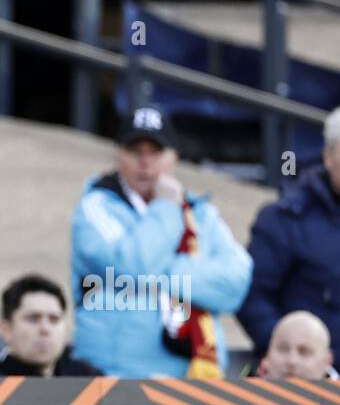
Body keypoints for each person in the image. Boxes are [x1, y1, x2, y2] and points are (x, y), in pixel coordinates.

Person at [71, 106, 252, 377]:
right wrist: (166, 206)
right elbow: (133, 266)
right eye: (135, 151)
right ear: (117, 155)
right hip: (113, 380)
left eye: (155, 152)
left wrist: (160, 274)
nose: (146, 162)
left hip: (197, 380)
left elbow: (235, 283)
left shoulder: (200, 213)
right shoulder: (95, 206)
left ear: (173, 159)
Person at [238, 106, 340, 358]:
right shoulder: (285, 218)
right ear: (328, 156)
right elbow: (253, 296)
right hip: (300, 385)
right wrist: (292, 355)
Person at [0, 274, 101, 377]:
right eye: (33, 319)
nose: (45, 329)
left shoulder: (87, 378)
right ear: (6, 330)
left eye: (54, 319)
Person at [255, 309, 338, 380]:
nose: (292, 361)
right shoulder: (245, 394)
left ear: (327, 360)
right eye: (283, 349)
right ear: (267, 355)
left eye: (304, 352)